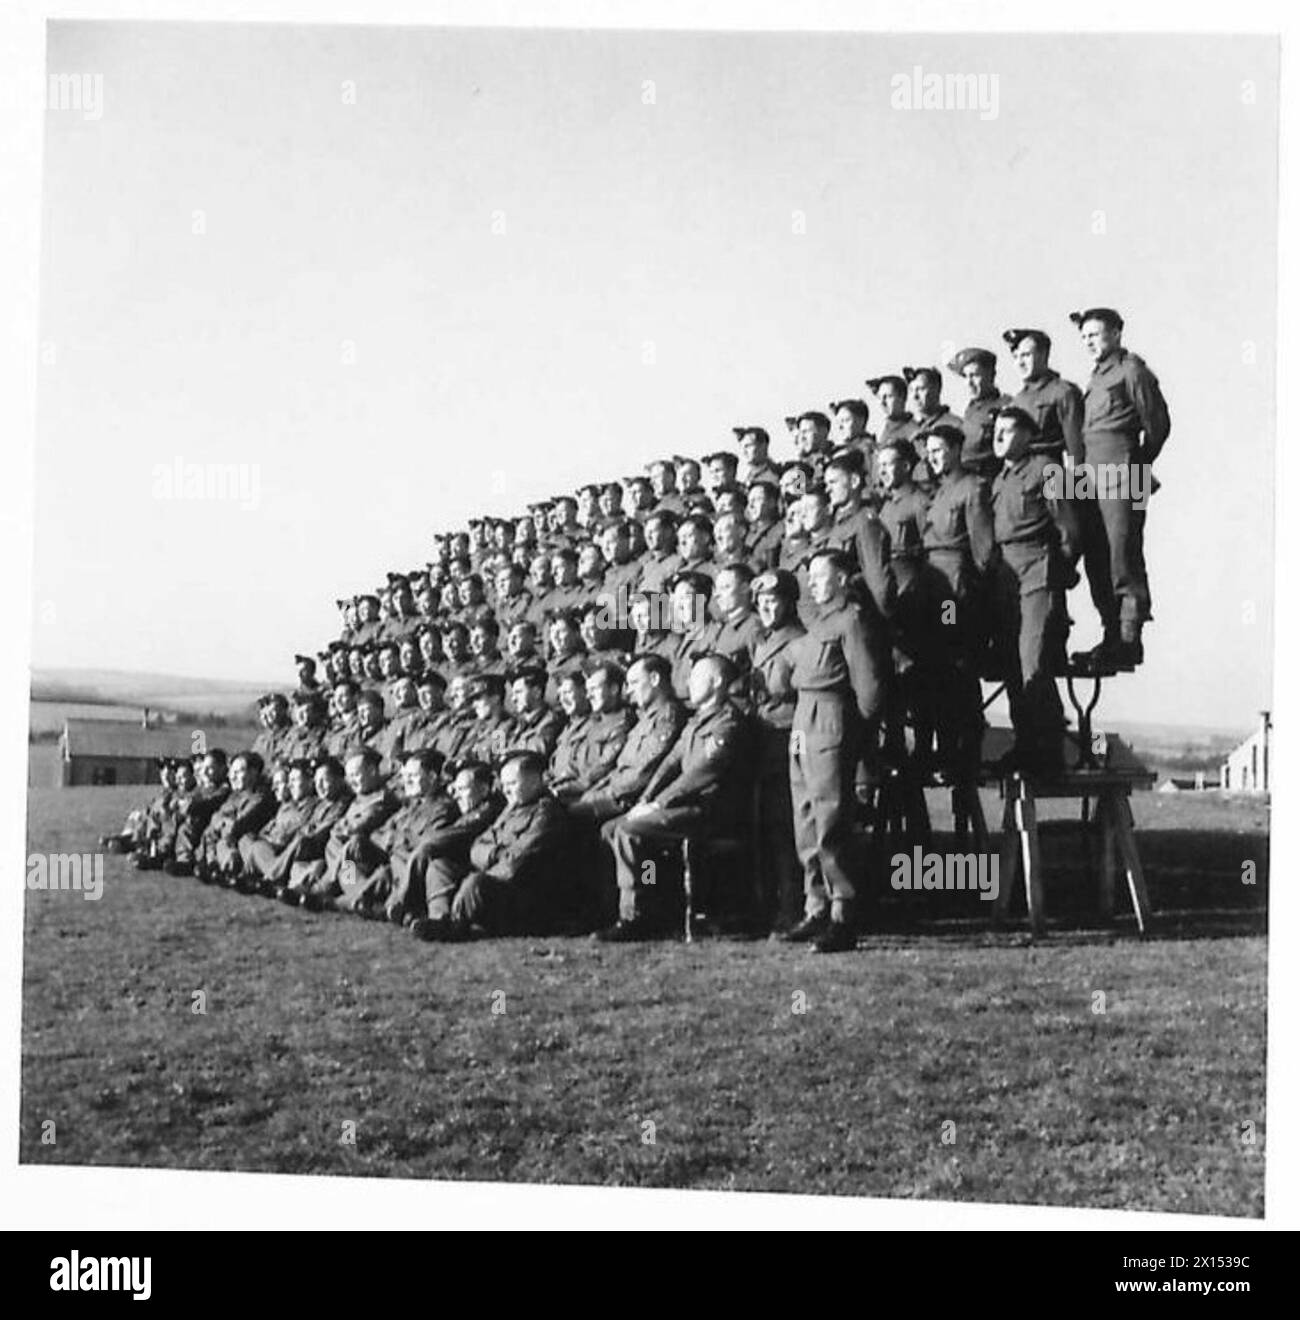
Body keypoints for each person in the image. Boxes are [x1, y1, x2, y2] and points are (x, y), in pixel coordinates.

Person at [596, 654, 752, 941]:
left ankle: (637, 914)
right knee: (613, 829)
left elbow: (702, 774)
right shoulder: (696, 721)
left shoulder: (727, 723)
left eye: (696, 677)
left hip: (709, 811)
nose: (688, 683)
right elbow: (669, 764)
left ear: (716, 682)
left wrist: (659, 804)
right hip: (684, 808)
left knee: (631, 832)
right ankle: (646, 897)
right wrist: (645, 799)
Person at [783, 549, 889, 953]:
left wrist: (859, 737)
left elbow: (870, 687)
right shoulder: (817, 620)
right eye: (811, 575)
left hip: (831, 715)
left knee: (831, 817)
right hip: (802, 717)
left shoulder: (853, 620)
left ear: (844, 579)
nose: (813, 582)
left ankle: (844, 914)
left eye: (821, 576)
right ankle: (816, 907)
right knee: (805, 816)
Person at [1070, 306, 1171, 667]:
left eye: (1095, 335)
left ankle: (1129, 639)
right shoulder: (1095, 378)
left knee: (1121, 555)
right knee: (1096, 556)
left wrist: (1138, 466)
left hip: (1123, 472)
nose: (1089, 342)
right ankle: (1110, 634)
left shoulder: (1133, 371)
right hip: (1091, 477)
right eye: (1084, 337)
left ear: (1116, 333)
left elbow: (1157, 425)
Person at [988, 405, 1081, 775]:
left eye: (1008, 430)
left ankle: (1049, 749)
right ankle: (1026, 745)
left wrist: (1058, 571)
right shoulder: (999, 481)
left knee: (1033, 661)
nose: (999, 437)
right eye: (997, 430)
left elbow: (1070, 531)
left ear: (1027, 435)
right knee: (1012, 665)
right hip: (1006, 577)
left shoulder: (1048, 470)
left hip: (1038, 571)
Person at [919, 423, 996, 778]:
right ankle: (946, 749)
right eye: (929, 453)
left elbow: (983, 552)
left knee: (955, 663)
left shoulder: (972, 488)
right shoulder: (937, 493)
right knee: (937, 667)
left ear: (956, 449)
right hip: (934, 587)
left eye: (939, 451)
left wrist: (977, 601)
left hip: (955, 592)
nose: (933, 458)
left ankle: (965, 751)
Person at [434, 751, 571, 939]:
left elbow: (517, 863)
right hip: (496, 878)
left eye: (512, 784)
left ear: (534, 783)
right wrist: (495, 855)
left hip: (524, 895)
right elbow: (477, 846)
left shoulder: (546, 814)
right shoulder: (510, 809)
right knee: (441, 867)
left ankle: (455, 926)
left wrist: (486, 866)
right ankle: (439, 919)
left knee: (476, 883)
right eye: (504, 784)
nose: (505, 790)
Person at [749, 570, 806, 930]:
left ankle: (792, 905)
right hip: (763, 739)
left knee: (787, 827)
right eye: (762, 602)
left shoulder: (799, 641)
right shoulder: (762, 640)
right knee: (767, 827)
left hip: (788, 739)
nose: (768, 607)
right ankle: (766, 903)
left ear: (789, 602)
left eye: (775, 600)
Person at [569, 653, 687, 827]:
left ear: (654, 679)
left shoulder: (667, 715)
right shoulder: (645, 718)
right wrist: (592, 793)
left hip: (629, 799)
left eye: (634, 683)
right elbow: (619, 769)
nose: (629, 690)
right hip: (616, 794)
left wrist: (597, 796)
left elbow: (642, 773)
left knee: (564, 818)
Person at [337, 749, 457, 917]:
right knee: (352, 850)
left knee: (383, 873)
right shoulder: (410, 805)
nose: (406, 780)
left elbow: (421, 846)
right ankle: (355, 895)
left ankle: (356, 900)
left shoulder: (443, 808)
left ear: (432, 777)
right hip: (389, 860)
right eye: (406, 775)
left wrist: (394, 840)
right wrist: (394, 840)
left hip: (407, 873)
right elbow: (379, 834)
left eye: (413, 776)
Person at [950, 347, 1012, 479]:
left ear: (991, 375)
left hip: (990, 479)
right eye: (966, 376)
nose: (969, 383)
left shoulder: (1005, 406)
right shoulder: (970, 409)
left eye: (975, 375)